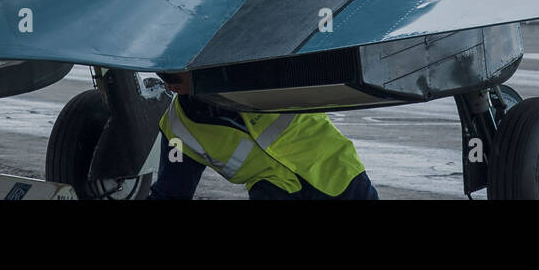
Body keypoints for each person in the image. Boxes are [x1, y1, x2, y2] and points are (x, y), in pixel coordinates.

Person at [147, 72, 379, 200]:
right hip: (275, 192)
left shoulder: (260, 67)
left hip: (339, 175)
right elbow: (170, 193)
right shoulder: (177, 130)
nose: (169, 84)